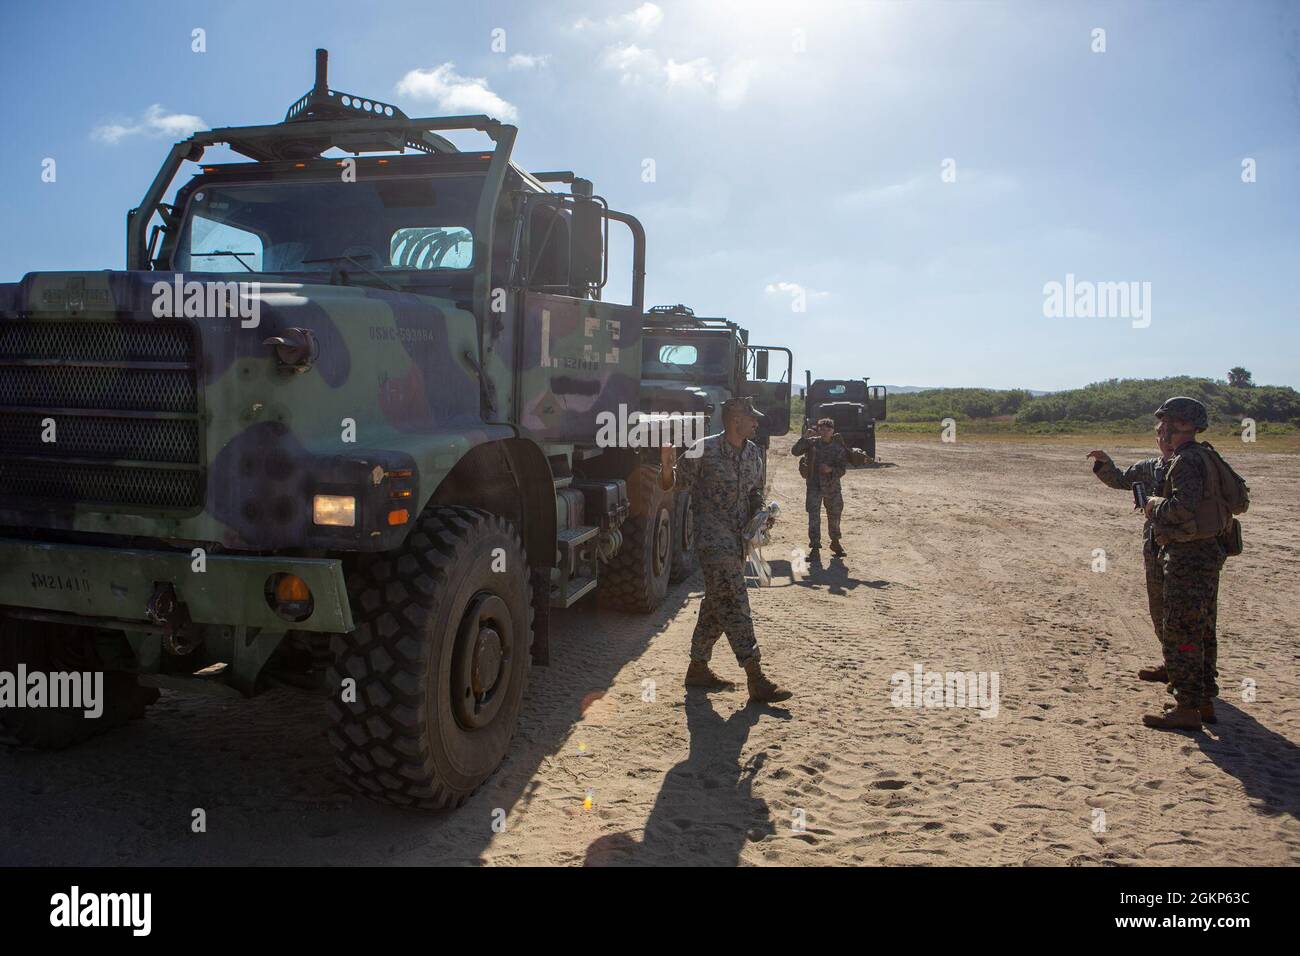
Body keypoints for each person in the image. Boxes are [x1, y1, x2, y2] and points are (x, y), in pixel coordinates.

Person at [1087, 397, 1228, 731]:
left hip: (1188, 555)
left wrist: (1151, 505)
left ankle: (1188, 706)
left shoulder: (1189, 462)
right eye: (1161, 427)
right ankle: (1199, 694)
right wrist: (1105, 465)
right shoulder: (1174, 462)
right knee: (1194, 625)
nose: (1162, 432)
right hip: (1187, 553)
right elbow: (1123, 479)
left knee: (1184, 628)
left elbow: (1182, 510)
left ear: (1186, 427)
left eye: (1169, 426)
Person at [659, 397, 792, 703]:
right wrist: (666, 467)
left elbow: (754, 492)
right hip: (712, 539)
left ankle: (697, 667)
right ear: (735, 421)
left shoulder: (753, 452)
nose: (756, 423)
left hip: (738, 541)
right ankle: (755, 677)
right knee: (734, 599)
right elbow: (675, 485)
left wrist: (761, 516)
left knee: (717, 603)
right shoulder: (703, 448)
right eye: (751, 418)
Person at [791, 417, 849, 557]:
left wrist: (830, 470)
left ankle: (835, 542)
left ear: (832, 431)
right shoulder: (811, 443)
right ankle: (815, 547)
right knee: (814, 517)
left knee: (834, 515)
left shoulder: (838, 447)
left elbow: (842, 469)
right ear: (818, 430)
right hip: (814, 486)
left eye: (828, 429)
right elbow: (795, 451)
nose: (824, 432)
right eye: (822, 429)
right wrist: (804, 437)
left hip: (832, 487)